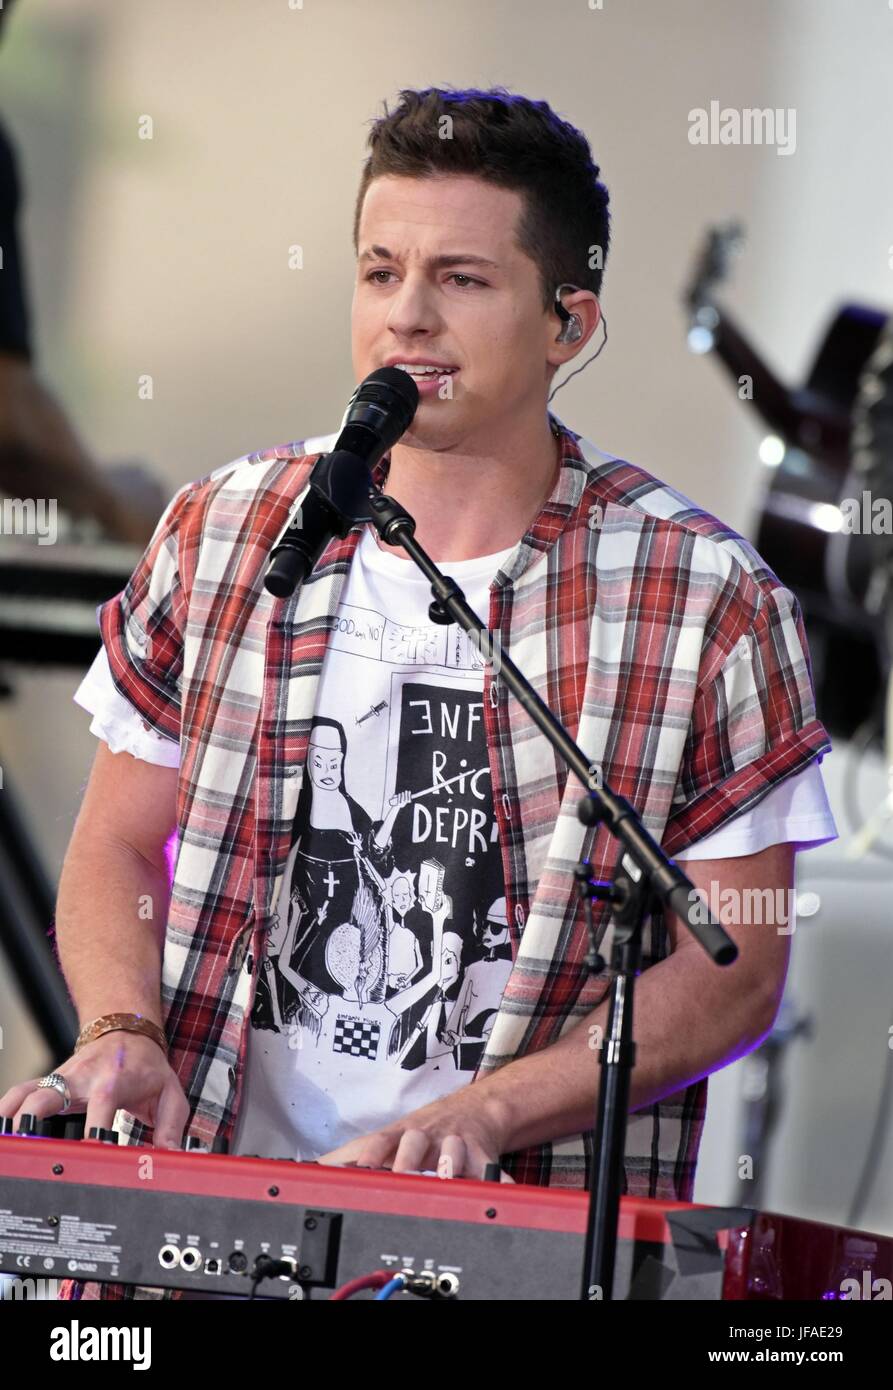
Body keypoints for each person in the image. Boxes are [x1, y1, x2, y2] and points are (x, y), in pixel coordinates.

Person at [0, 86, 837, 1302]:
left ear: (567, 321)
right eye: (378, 270)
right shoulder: (228, 528)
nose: (406, 315)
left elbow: (735, 970)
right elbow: (122, 845)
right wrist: (118, 1033)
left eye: (460, 279)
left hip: (511, 1247)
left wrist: (489, 1111)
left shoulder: (703, 595)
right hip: (194, 1232)